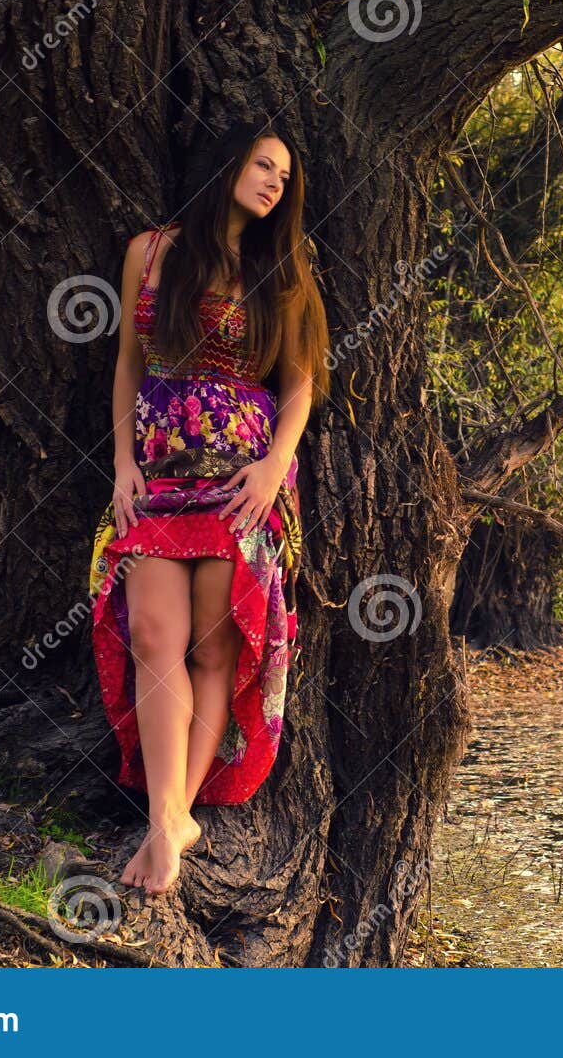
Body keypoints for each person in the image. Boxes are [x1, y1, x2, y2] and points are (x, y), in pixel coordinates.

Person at [86, 122, 330, 894]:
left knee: (214, 651)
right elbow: (129, 364)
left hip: (239, 480)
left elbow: (299, 385)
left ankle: (171, 821)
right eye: (264, 165)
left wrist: (271, 471)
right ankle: (168, 819)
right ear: (227, 162)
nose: (274, 183)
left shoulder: (280, 267)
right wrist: (122, 464)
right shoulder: (149, 252)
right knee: (155, 633)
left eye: (285, 177)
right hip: (157, 472)